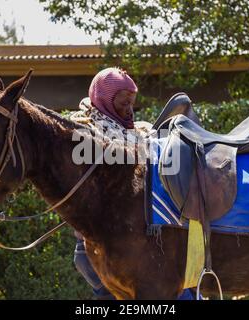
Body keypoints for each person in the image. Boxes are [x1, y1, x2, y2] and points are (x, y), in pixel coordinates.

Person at [70, 67, 194, 300]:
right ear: (104, 100)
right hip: (106, 250)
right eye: (123, 103)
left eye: (132, 103)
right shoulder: (86, 133)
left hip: (125, 246)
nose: (129, 110)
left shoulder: (132, 131)